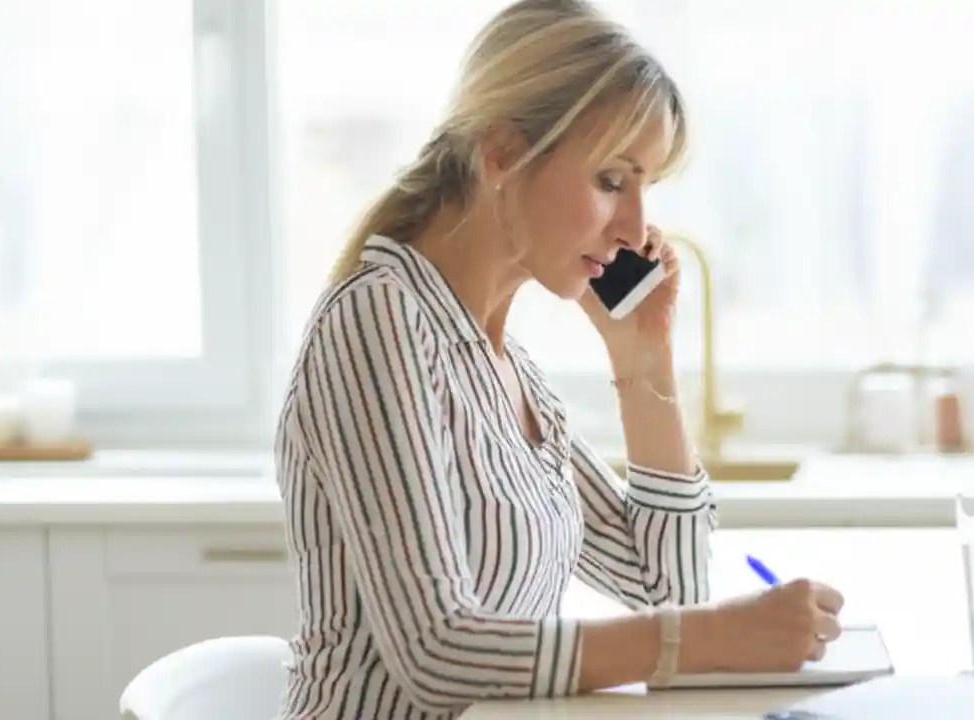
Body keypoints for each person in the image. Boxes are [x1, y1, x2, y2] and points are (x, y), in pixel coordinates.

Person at [273, 1, 844, 717]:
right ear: (504, 154)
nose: (638, 229)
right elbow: (439, 654)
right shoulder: (379, 321)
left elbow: (665, 587)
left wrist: (644, 368)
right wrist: (706, 638)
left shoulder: (507, 370)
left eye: (647, 188)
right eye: (612, 180)